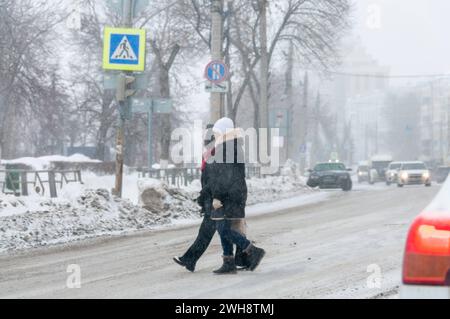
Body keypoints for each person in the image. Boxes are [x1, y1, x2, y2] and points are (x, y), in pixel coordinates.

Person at [173, 125, 249, 272]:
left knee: (223, 230)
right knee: (219, 231)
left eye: (208, 138)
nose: (205, 141)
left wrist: (214, 197)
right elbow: (208, 179)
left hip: (218, 200)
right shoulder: (209, 154)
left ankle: (246, 256)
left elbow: (217, 179)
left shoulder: (218, 154)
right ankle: (192, 259)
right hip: (213, 199)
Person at [205, 117, 265, 274]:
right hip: (235, 193)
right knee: (223, 226)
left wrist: (217, 196)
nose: (215, 134)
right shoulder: (231, 146)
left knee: (223, 228)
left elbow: (224, 175)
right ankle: (229, 262)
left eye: (217, 131)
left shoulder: (226, 148)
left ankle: (252, 250)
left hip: (228, 194)